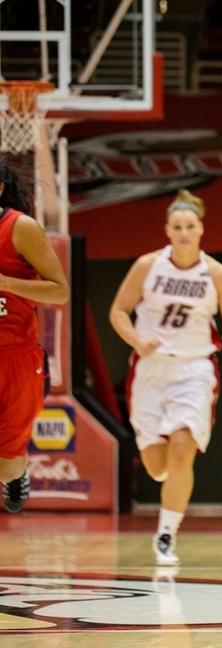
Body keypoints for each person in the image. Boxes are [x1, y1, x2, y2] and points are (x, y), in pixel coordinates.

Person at [110, 189, 222, 564]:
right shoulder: (147, 266)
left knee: (184, 447)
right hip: (151, 369)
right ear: (167, 231)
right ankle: (169, 478)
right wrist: (137, 340)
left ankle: (167, 534)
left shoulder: (218, 274)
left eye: (190, 226)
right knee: (158, 466)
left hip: (194, 367)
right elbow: (119, 312)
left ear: (201, 229)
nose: (184, 233)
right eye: (177, 227)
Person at [0, 161, 70, 513]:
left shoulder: (20, 228)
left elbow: (60, 292)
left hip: (15, 355)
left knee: (8, 460)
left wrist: (6, 283)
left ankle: (16, 474)